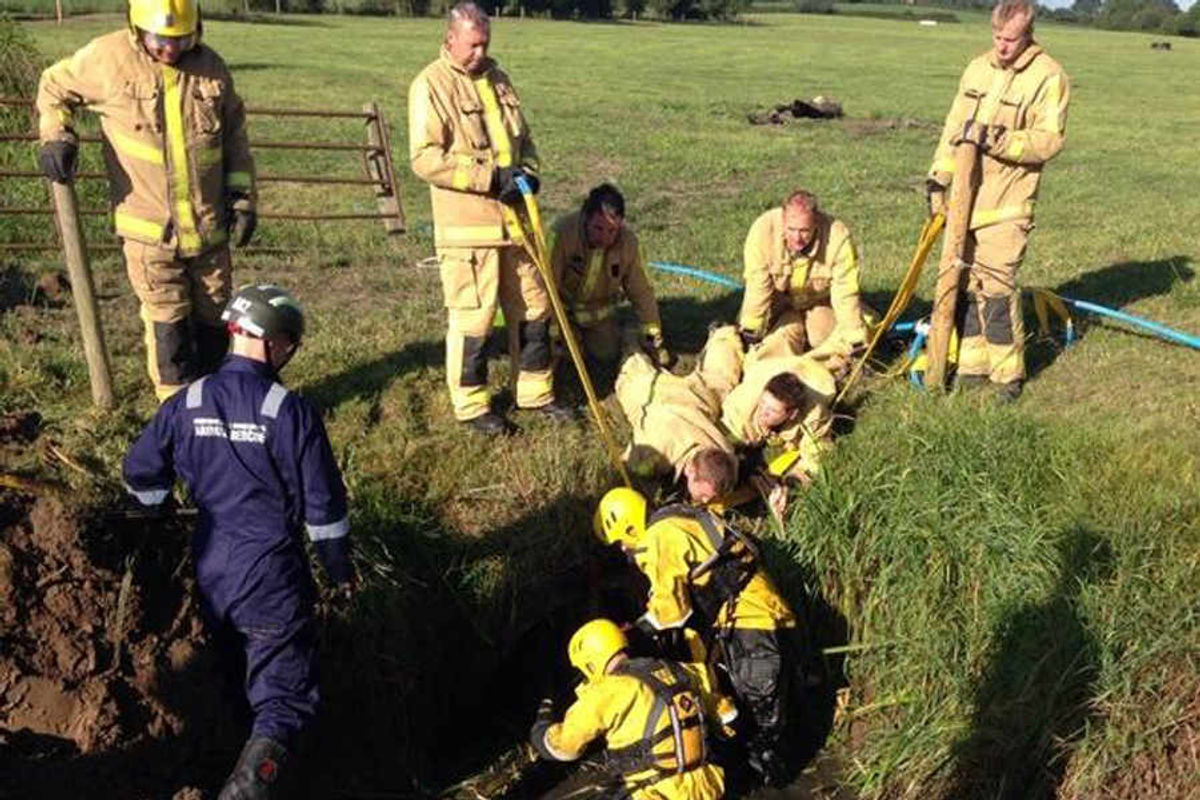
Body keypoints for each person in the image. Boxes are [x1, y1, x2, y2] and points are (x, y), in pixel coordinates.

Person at [122, 284, 352, 800]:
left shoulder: (189, 400)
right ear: (276, 343)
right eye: (291, 346)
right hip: (270, 574)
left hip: (211, 570)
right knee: (284, 701)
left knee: (233, 676)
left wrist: (155, 510)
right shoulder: (288, 410)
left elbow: (141, 473)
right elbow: (325, 511)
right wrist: (339, 571)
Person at [36, 0, 256, 401]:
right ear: (136, 28)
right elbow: (53, 87)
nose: (170, 49)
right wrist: (57, 135)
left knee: (213, 320)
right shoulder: (107, 59)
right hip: (148, 231)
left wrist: (242, 197)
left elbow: (234, 138)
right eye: (160, 39)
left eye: (181, 39)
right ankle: (175, 415)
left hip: (209, 229)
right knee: (168, 324)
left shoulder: (212, 69)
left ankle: (211, 404)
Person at [408, 1, 573, 435]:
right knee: (474, 319)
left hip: (517, 227)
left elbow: (526, 142)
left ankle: (535, 394)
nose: (480, 53)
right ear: (449, 40)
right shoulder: (431, 84)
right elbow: (425, 159)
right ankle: (473, 405)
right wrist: (488, 177)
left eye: (485, 44)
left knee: (534, 310)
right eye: (472, 45)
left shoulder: (500, 80)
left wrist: (529, 175)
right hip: (469, 234)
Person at [594, 488, 801, 787]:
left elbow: (672, 613)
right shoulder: (676, 516)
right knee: (777, 710)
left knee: (765, 728)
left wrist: (634, 633)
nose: (625, 551)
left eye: (622, 544)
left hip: (752, 624)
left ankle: (772, 781)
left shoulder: (656, 540)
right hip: (764, 610)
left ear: (629, 526)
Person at [925, 0, 1070, 401]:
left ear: (1028, 35)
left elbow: (1049, 140)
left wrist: (998, 139)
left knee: (997, 289)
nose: (1002, 46)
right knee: (969, 286)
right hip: (962, 204)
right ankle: (973, 367)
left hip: (1006, 204)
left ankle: (1008, 377)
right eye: (997, 37)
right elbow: (953, 129)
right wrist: (939, 178)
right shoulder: (976, 68)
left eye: (1011, 39)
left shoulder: (1048, 76)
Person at [529, 618, 729, 800]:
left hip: (656, 793)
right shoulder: (679, 670)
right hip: (709, 786)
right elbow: (722, 717)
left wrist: (542, 724)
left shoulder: (607, 690)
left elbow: (564, 747)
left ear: (589, 664)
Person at [737, 190, 867, 372]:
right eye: (791, 230)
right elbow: (757, 284)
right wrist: (751, 329)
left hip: (820, 301)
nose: (797, 238)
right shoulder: (763, 231)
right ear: (783, 220)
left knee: (823, 337)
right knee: (774, 341)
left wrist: (855, 336)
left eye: (804, 231)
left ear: (816, 222)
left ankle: (867, 319)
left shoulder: (837, 236)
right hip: (780, 302)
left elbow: (845, 291)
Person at [613, 326, 743, 504]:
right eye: (705, 496)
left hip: (695, 398)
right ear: (690, 469)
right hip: (651, 397)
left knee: (722, 379)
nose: (705, 501)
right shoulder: (655, 448)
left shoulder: (727, 457)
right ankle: (631, 338)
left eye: (710, 497)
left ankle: (724, 334)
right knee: (632, 370)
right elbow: (628, 462)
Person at [550, 183, 671, 368]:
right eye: (598, 228)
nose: (605, 238)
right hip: (561, 314)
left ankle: (628, 333)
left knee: (606, 356)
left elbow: (641, 291)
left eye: (612, 231)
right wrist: (552, 328)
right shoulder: (562, 234)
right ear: (585, 218)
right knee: (557, 355)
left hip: (597, 316)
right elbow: (545, 286)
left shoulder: (628, 243)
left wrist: (652, 332)